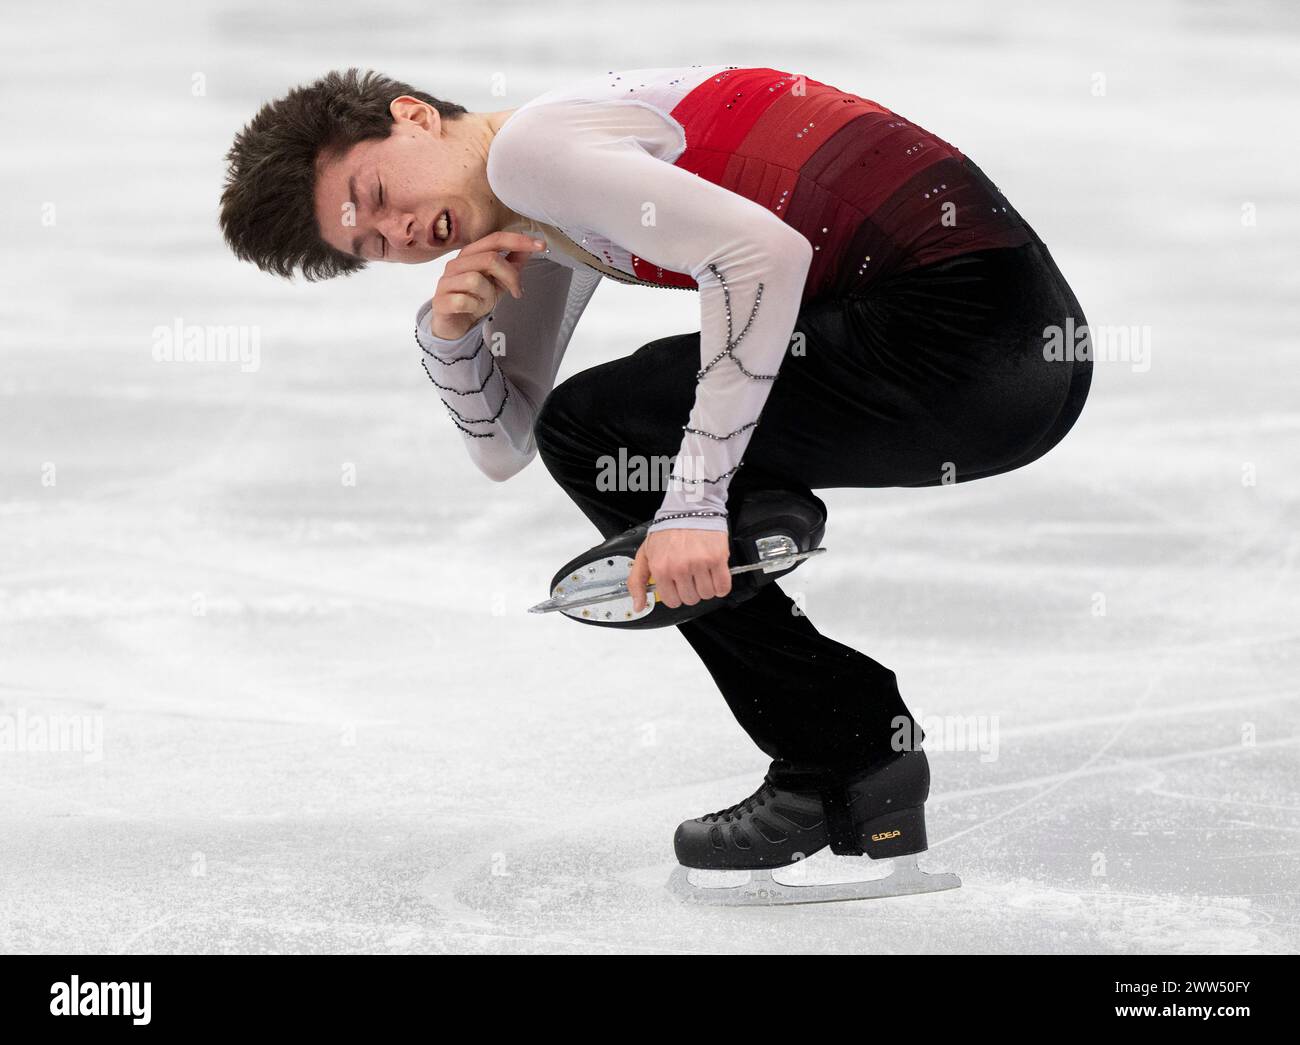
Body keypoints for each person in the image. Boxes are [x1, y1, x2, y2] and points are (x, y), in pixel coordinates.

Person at [220, 64, 1091, 902]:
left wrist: (694, 504)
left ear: (410, 115)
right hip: (1013, 360)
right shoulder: (535, 203)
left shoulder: (535, 151)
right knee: (590, 427)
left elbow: (762, 256)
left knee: (600, 430)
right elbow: (507, 442)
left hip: (966, 341)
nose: (399, 232)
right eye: (371, 244)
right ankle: (828, 691)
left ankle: (845, 752)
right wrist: (449, 336)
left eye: (376, 195)